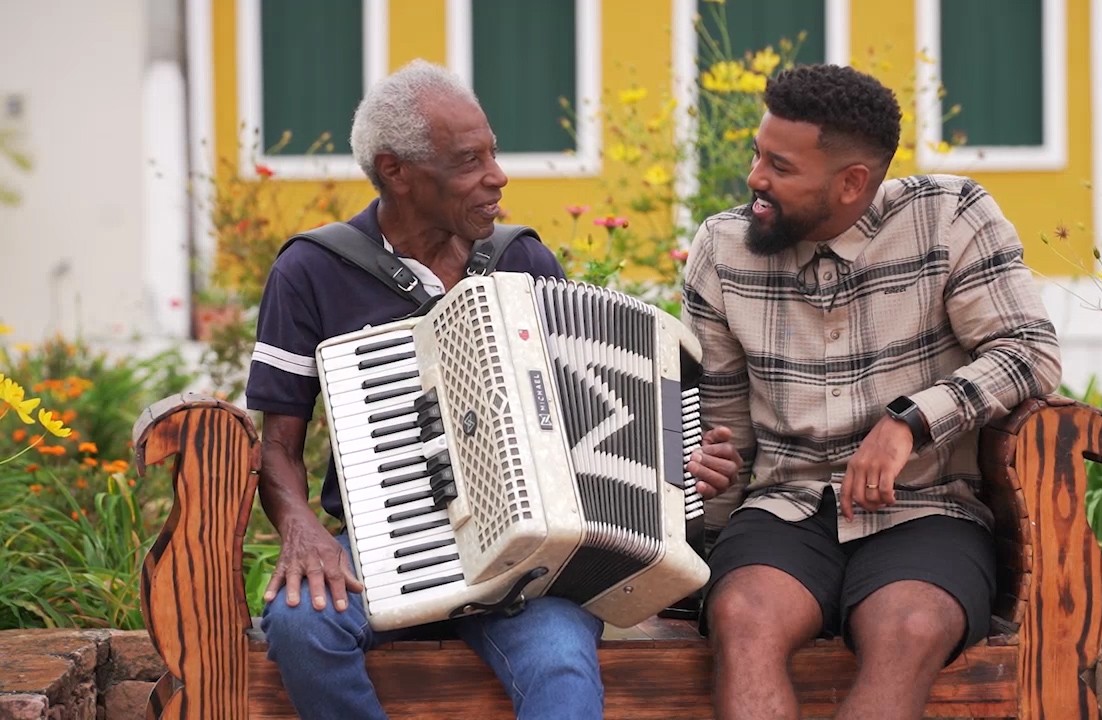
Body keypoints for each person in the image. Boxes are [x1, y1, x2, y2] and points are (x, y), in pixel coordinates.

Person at [245, 59, 740, 720]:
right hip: (386, 545)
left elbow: (584, 416)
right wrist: (301, 529)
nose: (498, 178)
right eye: (469, 161)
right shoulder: (312, 268)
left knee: (560, 664)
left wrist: (673, 468)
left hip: (526, 564)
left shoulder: (519, 260)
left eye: (493, 153)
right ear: (396, 171)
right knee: (301, 627)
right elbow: (276, 443)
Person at [682, 64, 1062, 720]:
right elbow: (721, 431)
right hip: (783, 509)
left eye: (779, 166)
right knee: (743, 619)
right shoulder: (722, 252)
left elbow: (1028, 351)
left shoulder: (950, 218)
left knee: (909, 630)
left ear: (852, 182)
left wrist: (910, 421)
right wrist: (699, 502)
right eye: (756, 154)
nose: (755, 180)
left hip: (928, 510)